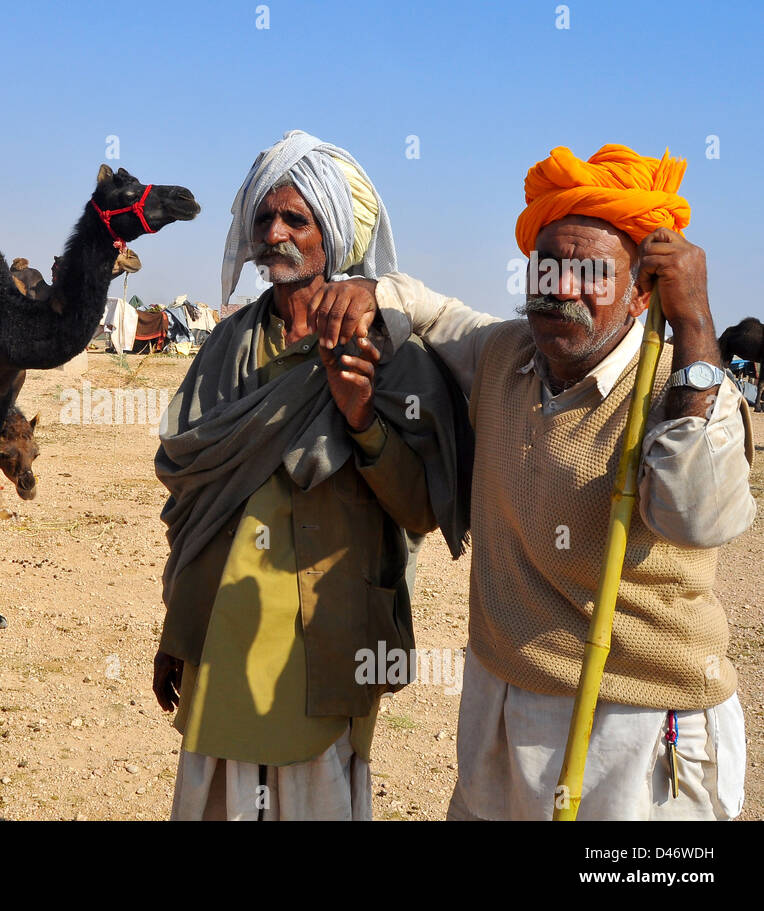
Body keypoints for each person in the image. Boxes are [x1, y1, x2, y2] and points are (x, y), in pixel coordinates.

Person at [307, 144, 754, 819]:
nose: (561, 288)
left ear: (641, 293)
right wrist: (374, 291)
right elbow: (433, 312)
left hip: (637, 729)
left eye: (589, 273)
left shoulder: (683, 388)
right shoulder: (504, 354)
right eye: (548, 266)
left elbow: (694, 515)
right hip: (500, 707)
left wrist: (694, 323)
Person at [152, 131, 470, 820]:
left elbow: (421, 509)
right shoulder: (227, 347)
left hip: (327, 642)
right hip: (224, 633)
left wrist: (363, 422)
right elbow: (194, 506)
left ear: (334, 233)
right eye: (266, 218)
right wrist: (179, 632)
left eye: (296, 219)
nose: (276, 233)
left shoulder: (390, 349)